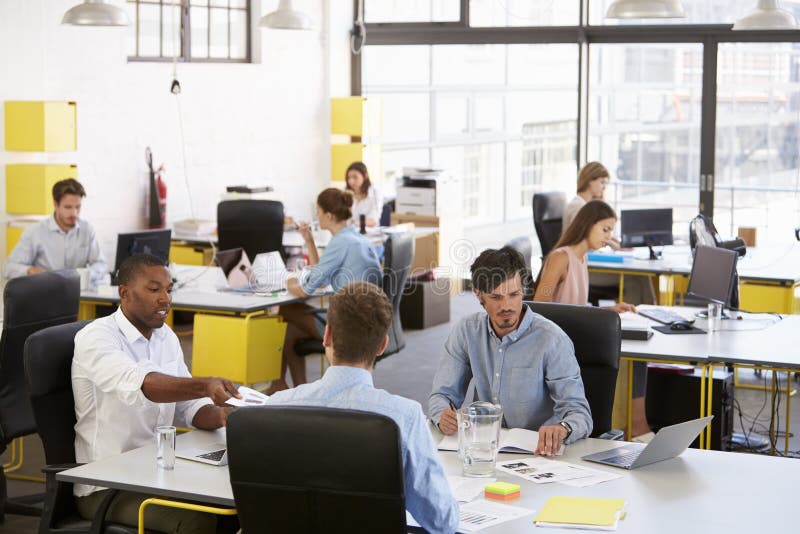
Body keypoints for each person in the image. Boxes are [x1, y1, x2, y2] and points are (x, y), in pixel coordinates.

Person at [267, 282, 459, 534]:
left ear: (327, 336)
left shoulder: (275, 406)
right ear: (382, 346)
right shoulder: (403, 417)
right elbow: (442, 521)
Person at [72, 253, 241, 533]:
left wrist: (224, 415)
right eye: (154, 289)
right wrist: (205, 384)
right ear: (124, 293)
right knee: (198, 520)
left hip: (158, 472)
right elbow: (142, 384)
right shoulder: (96, 338)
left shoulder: (165, 337)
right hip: (109, 486)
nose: (165, 298)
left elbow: (188, 409)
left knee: (243, 502)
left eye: (169, 289)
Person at [429, 247, 593, 456]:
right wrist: (442, 415)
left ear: (522, 291)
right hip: (485, 451)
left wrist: (563, 428)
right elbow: (442, 395)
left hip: (540, 454)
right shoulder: (467, 331)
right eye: (496, 297)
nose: (507, 306)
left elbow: (580, 414)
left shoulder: (552, 339)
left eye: (513, 295)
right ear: (479, 295)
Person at [534, 200, 654, 442]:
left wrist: (609, 311)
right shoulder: (561, 257)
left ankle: (636, 425)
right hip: (559, 341)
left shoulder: (582, 258)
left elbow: (575, 306)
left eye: (611, 231)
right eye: (605, 229)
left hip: (577, 332)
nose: (608, 237)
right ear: (588, 225)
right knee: (630, 352)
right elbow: (539, 307)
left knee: (638, 354)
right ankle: (635, 428)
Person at [269, 188, 382, 392]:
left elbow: (305, 290)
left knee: (285, 312)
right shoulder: (355, 238)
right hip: (368, 319)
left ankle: (282, 385)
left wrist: (281, 280)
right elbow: (320, 279)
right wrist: (309, 241)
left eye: (318, 211)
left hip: (348, 325)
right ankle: (295, 389)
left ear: (328, 216)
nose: (316, 216)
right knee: (290, 332)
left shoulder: (340, 243)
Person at [3, 178, 107, 283]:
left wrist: (85, 275)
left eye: (78, 207)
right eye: (68, 207)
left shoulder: (87, 230)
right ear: (56, 205)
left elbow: (101, 264)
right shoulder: (35, 232)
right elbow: (8, 268)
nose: (74, 213)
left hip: (76, 295)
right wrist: (30, 270)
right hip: (44, 293)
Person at [345, 161, 383, 228]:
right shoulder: (345, 192)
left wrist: (354, 224)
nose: (351, 181)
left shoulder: (375, 192)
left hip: (369, 233)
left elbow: (373, 220)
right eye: (349, 178)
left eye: (355, 177)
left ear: (365, 176)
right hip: (350, 232)